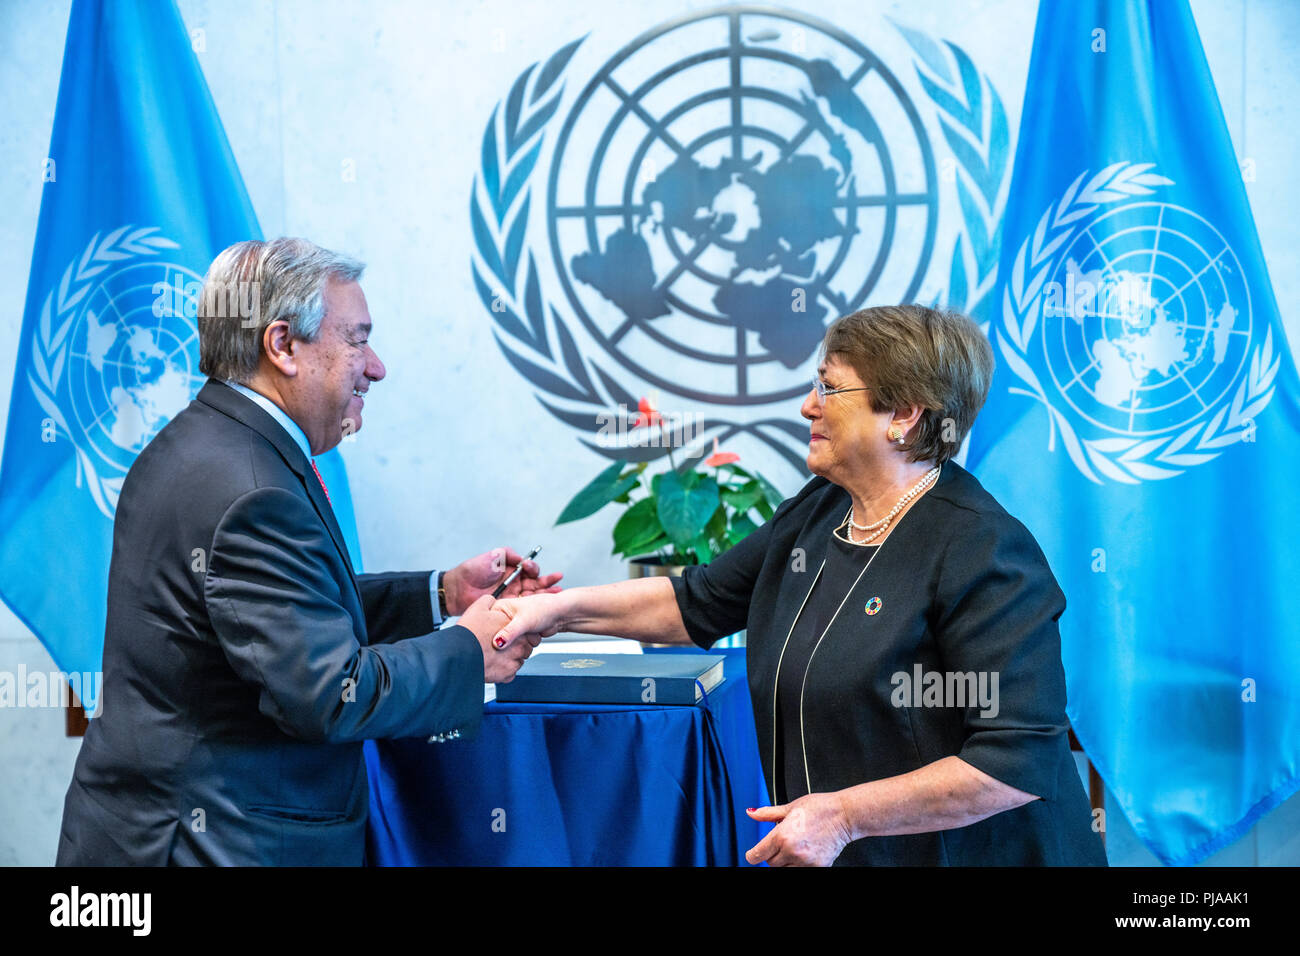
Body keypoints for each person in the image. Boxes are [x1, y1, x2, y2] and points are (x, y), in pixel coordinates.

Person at [492, 305, 1107, 866]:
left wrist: (841, 817)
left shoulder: (983, 548)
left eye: (829, 388)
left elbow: (1012, 762)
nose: (809, 406)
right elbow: (697, 603)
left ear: (904, 415)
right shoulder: (821, 509)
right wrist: (553, 613)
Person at [56, 238, 560, 866]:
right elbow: (331, 694)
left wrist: (443, 594)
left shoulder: (212, 442)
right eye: (357, 340)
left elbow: (283, 622)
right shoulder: (249, 487)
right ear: (283, 346)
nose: (376, 367)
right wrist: (470, 649)